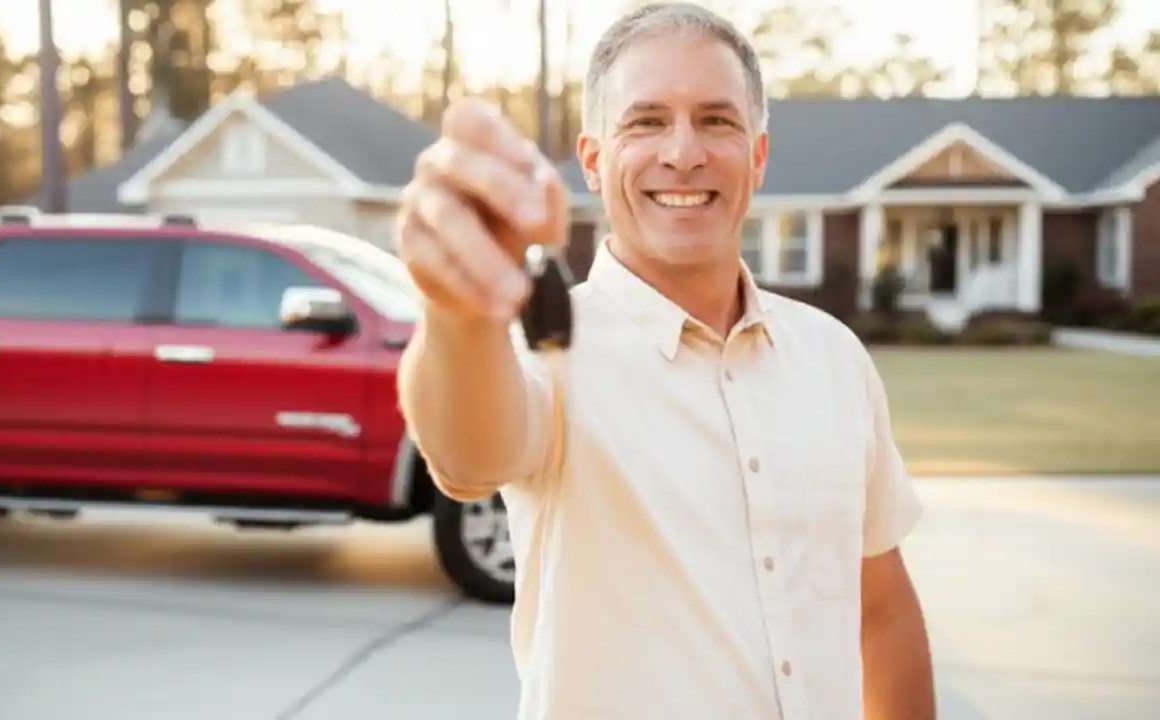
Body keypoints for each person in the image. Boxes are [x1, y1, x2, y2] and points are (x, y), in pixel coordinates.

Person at [394, 2, 936, 718]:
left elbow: (883, 612)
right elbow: (468, 456)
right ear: (593, 160)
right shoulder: (548, 352)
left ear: (758, 155)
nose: (683, 152)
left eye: (716, 120)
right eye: (646, 122)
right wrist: (456, 313)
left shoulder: (834, 358)